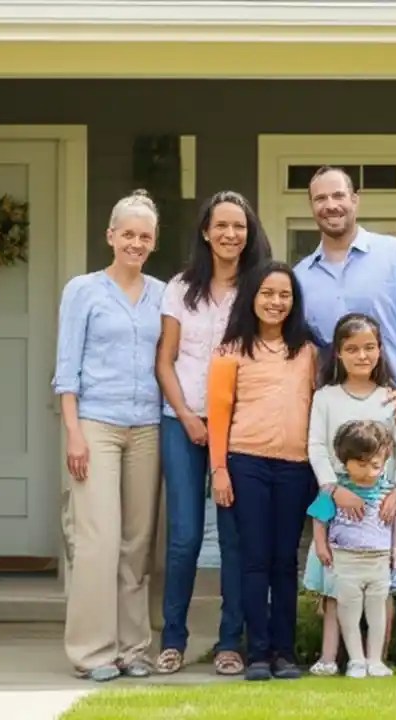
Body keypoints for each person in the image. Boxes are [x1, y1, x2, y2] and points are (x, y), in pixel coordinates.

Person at [293, 166, 396, 670]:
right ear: (311, 206)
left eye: (339, 195)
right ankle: (334, 644)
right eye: (320, 198)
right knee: (333, 518)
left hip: (394, 409)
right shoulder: (299, 276)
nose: (331, 205)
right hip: (333, 415)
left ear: (355, 200)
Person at [154, 191, 272, 676]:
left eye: (238, 226)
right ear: (205, 231)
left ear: (249, 233)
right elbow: (165, 360)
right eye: (221, 225)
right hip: (181, 421)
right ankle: (173, 639)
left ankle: (229, 642)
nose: (230, 234)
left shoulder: (259, 287)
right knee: (182, 537)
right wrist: (185, 414)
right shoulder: (181, 287)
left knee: (233, 538)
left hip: (240, 425)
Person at [52, 189, 166, 682]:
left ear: (153, 241)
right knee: (97, 540)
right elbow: (66, 371)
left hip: (148, 426)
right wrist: (73, 432)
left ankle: (134, 649)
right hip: (95, 424)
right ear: (110, 236)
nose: (135, 243)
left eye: (145, 236)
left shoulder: (164, 294)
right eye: (128, 234)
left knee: (137, 543)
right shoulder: (83, 290)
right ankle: (93, 652)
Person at [205, 261, 319, 682]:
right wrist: (219, 469)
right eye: (268, 293)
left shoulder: (308, 351)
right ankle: (256, 654)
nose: (276, 302)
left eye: (284, 295)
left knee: (284, 561)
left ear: (294, 301)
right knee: (253, 561)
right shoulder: (231, 349)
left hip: (294, 468)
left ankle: (284, 653)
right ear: (252, 297)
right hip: (245, 463)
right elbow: (218, 414)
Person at [302, 312, 396, 676]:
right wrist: (333, 491)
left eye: (369, 348)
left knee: (382, 587)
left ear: (380, 350)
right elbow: (316, 447)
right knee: (336, 587)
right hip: (338, 501)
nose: (362, 356)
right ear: (338, 353)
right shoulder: (326, 397)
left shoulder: (392, 399)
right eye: (352, 349)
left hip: (383, 505)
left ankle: (375, 658)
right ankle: (331, 657)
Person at [308, 419, 396, 679]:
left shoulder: (388, 490)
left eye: (376, 465)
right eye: (361, 464)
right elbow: (319, 518)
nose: (369, 472)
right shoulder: (336, 490)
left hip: (379, 562)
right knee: (348, 613)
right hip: (345, 561)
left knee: (377, 613)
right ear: (345, 460)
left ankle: (375, 659)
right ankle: (356, 660)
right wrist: (321, 545)